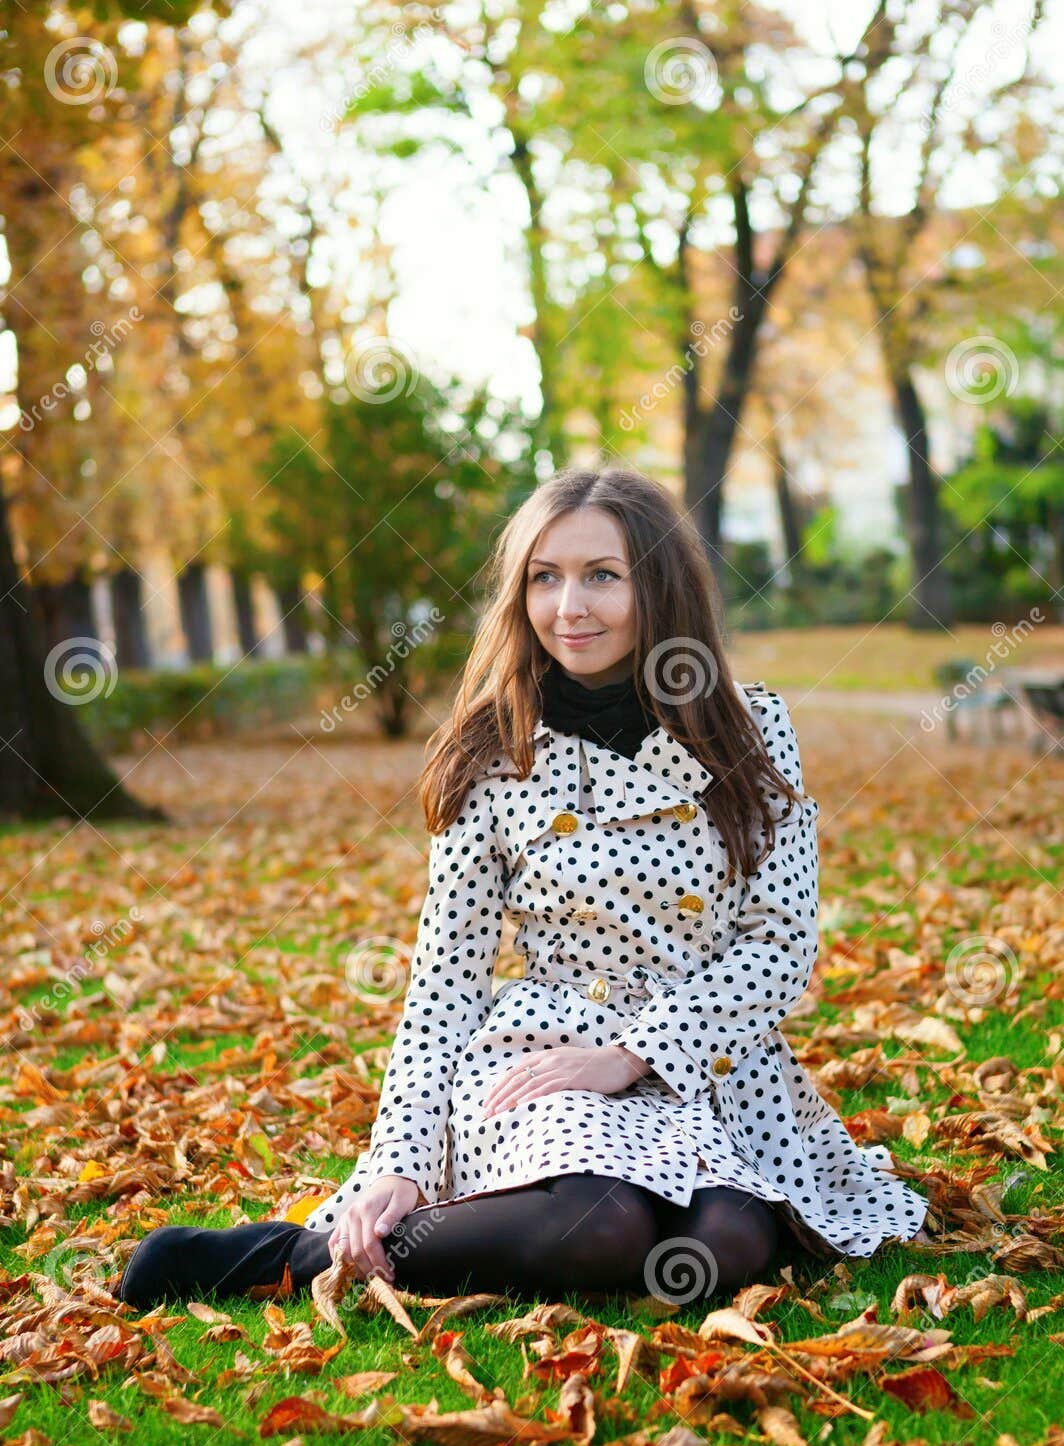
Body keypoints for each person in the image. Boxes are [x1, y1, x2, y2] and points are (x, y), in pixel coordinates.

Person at [118, 464, 929, 1312]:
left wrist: (630, 1057)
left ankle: (379, 1248)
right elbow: (445, 981)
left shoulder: (751, 729)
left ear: (660, 586)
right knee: (602, 1230)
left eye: (601, 576)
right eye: (545, 578)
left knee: (726, 1244)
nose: (568, 608)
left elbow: (780, 941)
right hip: (547, 1052)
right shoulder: (492, 750)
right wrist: (401, 1159)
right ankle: (294, 1254)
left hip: (705, 1060)